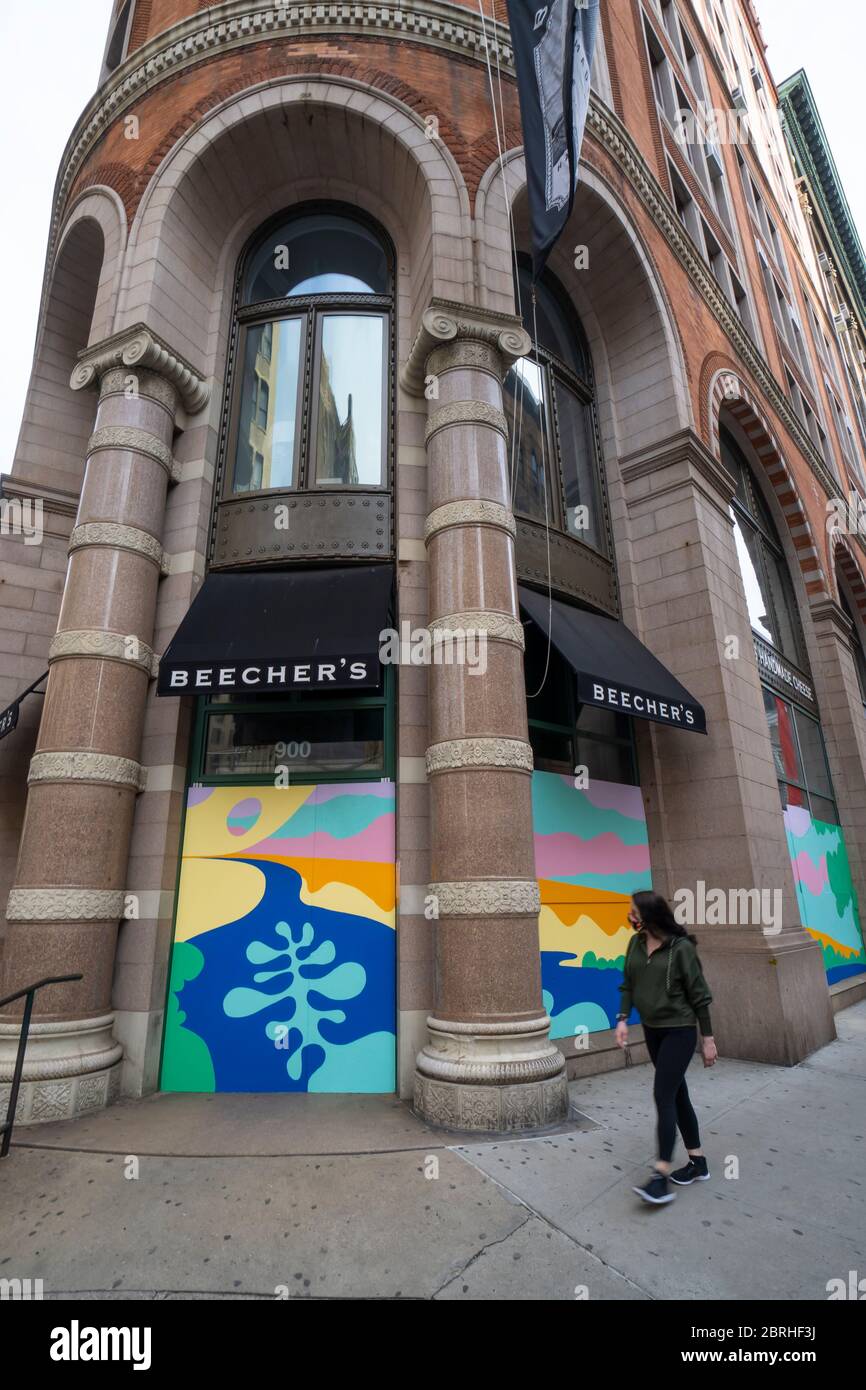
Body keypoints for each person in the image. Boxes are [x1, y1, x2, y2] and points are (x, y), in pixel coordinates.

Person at [615, 890, 718, 1206]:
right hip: (653, 1031)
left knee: (663, 1094)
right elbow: (628, 984)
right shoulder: (635, 943)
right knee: (677, 1093)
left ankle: (660, 1175)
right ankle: (697, 1162)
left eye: (633, 911)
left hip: (679, 1031)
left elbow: (699, 995)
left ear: (648, 914)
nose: (629, 916)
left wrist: (708, 1039)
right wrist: (622, 1019)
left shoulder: (681, 949)